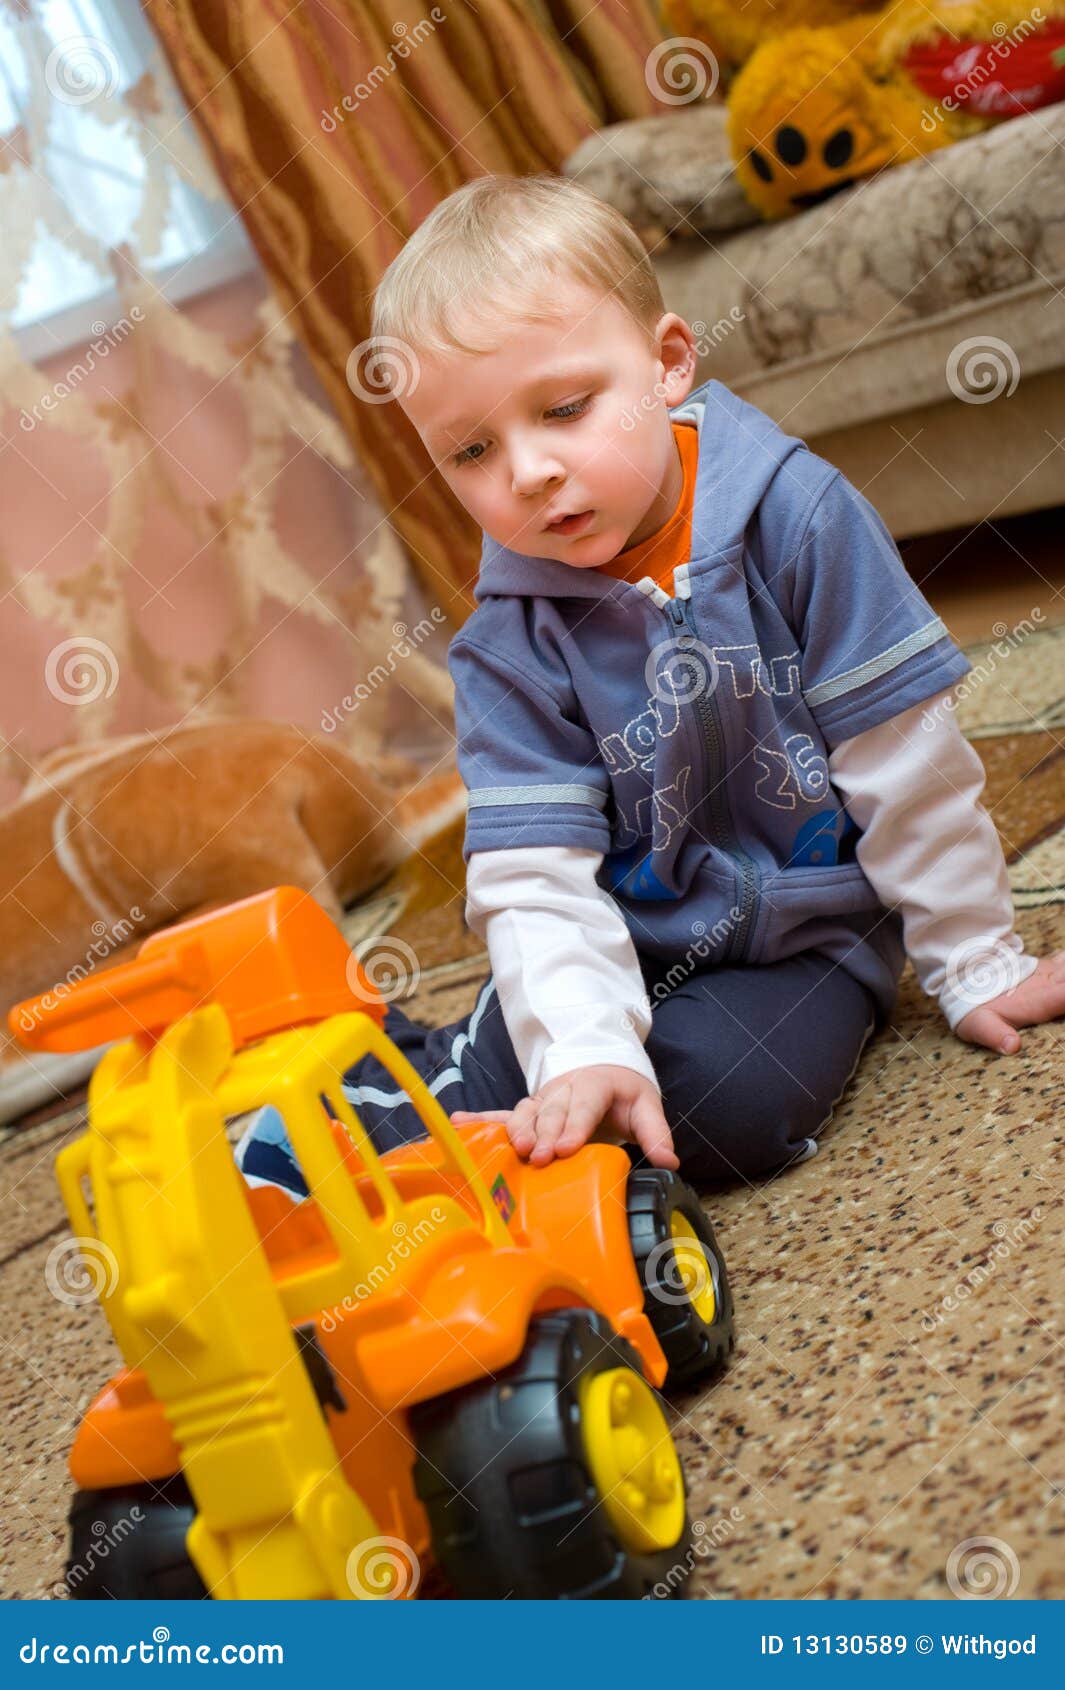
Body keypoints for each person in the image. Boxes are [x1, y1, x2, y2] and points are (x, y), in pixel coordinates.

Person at [236, 174, 1065, 1202]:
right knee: (557, 1062)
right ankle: (390, 1069)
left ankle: (565, 1110)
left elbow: (909, 762)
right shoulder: (506, 644)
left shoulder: (800, 519)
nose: (529, 470)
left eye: (565, 409)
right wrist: (585, 1047)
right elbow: (535, 878)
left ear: (669, 363)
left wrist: (973, 960)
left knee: (727, 1109)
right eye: (471, 450)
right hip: (613, 938)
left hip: (807, 938)